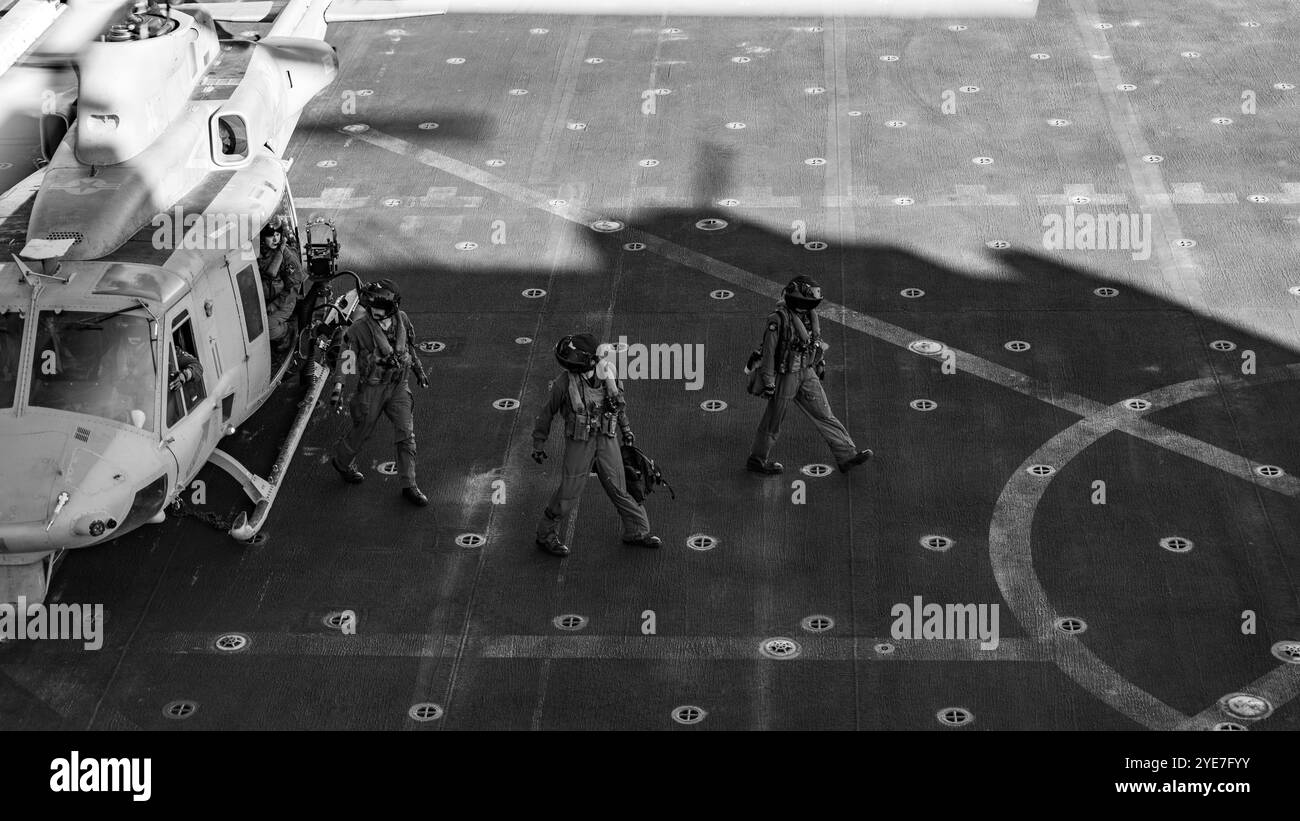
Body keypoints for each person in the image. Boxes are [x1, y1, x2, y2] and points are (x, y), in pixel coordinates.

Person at [531, 333, 662, 557]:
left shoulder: (608, 375)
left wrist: (626, 430)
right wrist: (538, 443)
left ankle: (637, 531)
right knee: (570, 490)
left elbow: (618, 406)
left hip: (606, 438)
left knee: (619, 486)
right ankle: (545, 534)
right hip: (579, 441)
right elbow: (547, 413)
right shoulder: (564, 384)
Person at [747, 275, 873, 475]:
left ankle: (847, 455)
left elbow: (814, 341)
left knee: (824, 413)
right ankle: (757, 459)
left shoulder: (808, 316)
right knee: (774, 420)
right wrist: (769, 381)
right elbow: (769, 351)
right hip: (785, 375)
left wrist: (820, 362)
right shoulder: (777, 319)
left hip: (806, 372)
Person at [328, 279, 431, 506]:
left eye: (380, 308)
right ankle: (342, 462)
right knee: (362, 431)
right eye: (372, 306)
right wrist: (338, 386)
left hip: (398, 387)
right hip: (372, 389)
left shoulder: (402, 320)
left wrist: (419, 372)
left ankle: (409, 484)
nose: (374, 311)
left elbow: (409, 349)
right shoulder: (359, 329)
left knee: (406, 434)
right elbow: (347, 356)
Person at [257, 219, 306, 346]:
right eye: (270, 236)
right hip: (265, 298)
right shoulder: (258, 252)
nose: (275, 240)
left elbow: (294, 286)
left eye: (277, 235)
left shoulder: (286, 256)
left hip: (284, 300)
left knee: (268, 328)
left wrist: (275, 305)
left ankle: (287, 331)